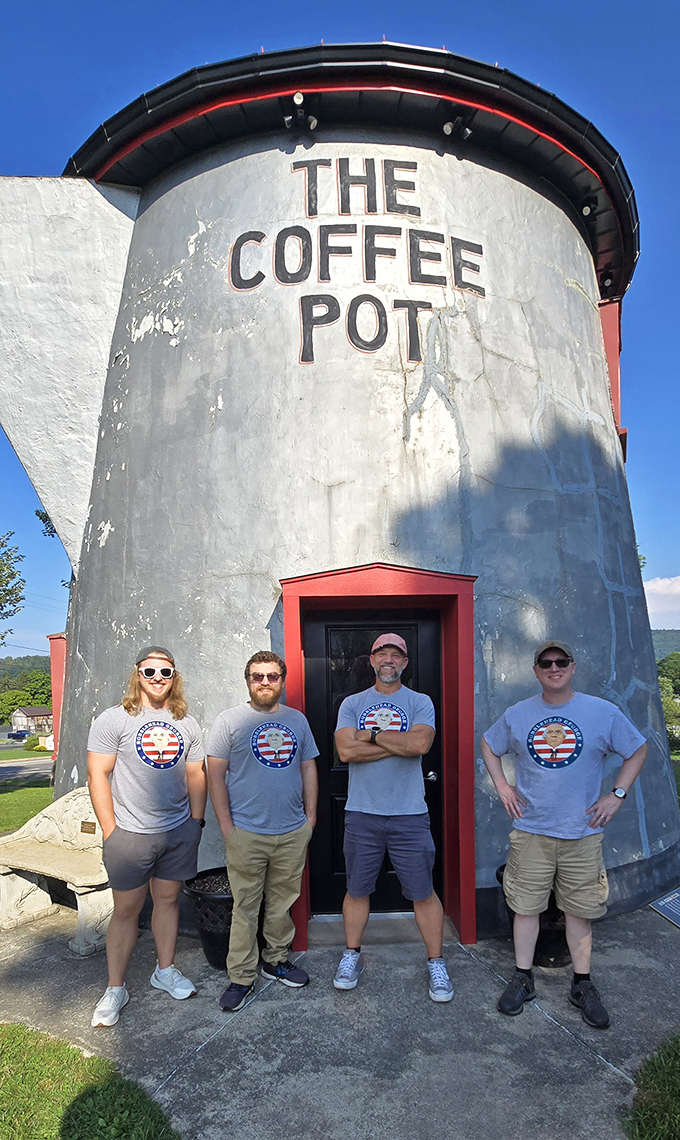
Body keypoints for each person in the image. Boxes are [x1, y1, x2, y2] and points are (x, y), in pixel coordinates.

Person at [481, 639, 647, 1029]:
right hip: (531, 831)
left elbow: (636, 749)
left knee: (580, 911)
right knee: (525, 908)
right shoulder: (519, 714)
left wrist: (617, 795)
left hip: (583, 833)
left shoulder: (602, 713)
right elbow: (489, 746)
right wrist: (504, 787)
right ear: (536, 670)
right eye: (545, 663)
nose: (554, 668)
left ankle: (582, 984)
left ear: (572, 667)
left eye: (561, 662)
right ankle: (523, 978)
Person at [88, 646, 207, 1027]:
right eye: (150, 671)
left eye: (166, 672)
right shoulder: (114, 719)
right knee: (126, 910)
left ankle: (165, 970)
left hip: (177, 831)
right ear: (137, 674)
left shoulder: (186, 722)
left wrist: (196, 822)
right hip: (130, 834)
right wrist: (111, 830)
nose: (158, 679)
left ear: (175, 677)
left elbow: (196, 774)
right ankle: (115, 988)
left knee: (168, 902)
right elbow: (97, 775)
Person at [333, 633, 453, 1003]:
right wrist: (396, 744)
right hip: (362, 813)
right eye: (382, 654)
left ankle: (436, 962)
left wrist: (369, 737)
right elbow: (344, 751)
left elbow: (420, 745)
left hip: (409, 814)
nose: (389, 660)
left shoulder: (420, 702)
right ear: (371, 660)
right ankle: (352, 954)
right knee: (356, 889)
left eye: (396, 655)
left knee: (422, 891)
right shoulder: (352, 703)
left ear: (405, 663)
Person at [207, 651, 319, 1012]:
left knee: (282, 902)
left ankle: (276, 960)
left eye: (272, 676)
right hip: (246, 832)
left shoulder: (297, 721)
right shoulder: (230, 721)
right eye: (258, 676)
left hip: (291, 831)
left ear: (282, 680)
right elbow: (215, 775)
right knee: (245, 907)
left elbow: (308, 769)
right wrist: (227, 827)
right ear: (248, 680)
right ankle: (241, 977)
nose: (265, 682)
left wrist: (310, 819)